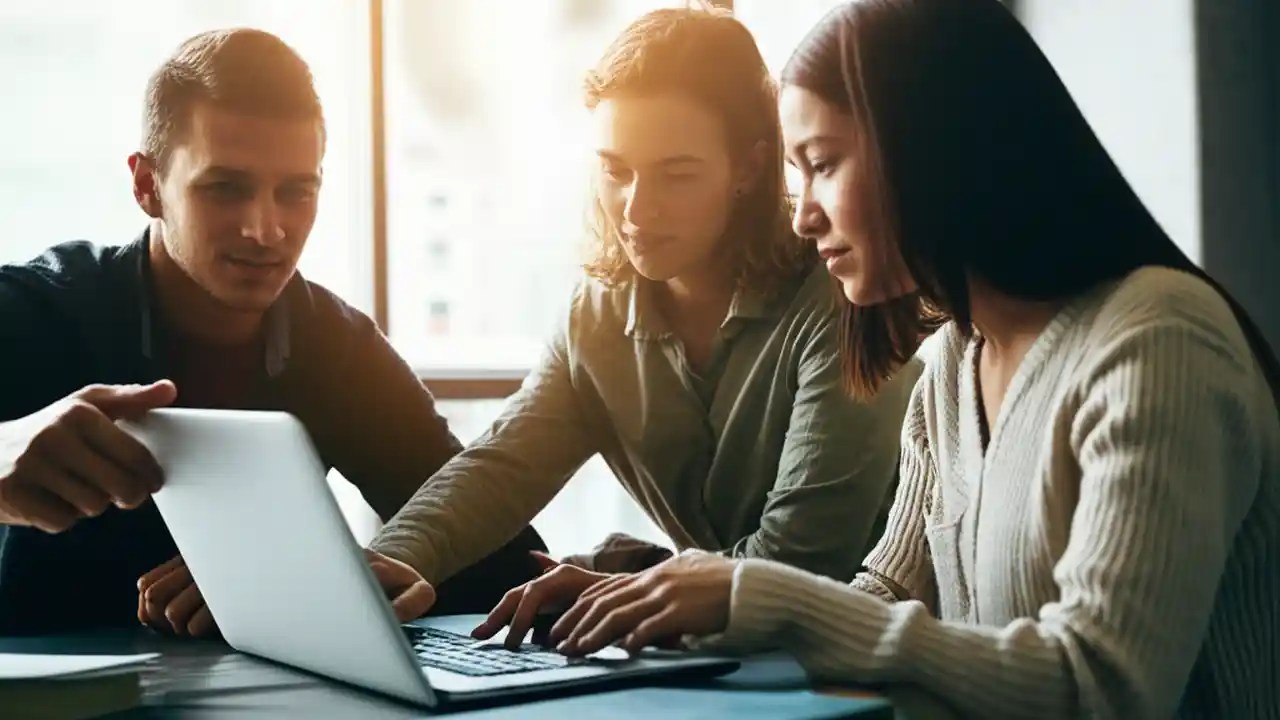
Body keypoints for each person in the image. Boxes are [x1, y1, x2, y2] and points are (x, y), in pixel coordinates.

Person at [527, 1, 1280, 717]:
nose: (803, 215)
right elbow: (885, 601)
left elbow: (1100, 688)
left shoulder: (1157, 338)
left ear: (931, 149)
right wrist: (656, 608)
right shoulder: (954, 361)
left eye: (822, 164)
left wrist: (752, 592)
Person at [367, 6, 922, 644]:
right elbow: (501, 467)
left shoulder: (841, 296)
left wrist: (623, 585)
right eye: (615, 169)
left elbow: (800, 563)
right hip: (712, 658)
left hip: (856, 660)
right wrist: (391, 562)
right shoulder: (596, 313)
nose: (636, 208)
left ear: (748, 168)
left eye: (675, 174)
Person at [0, 28, 543, 638]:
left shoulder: (339, 350)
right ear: (147, 185)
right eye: (225, 189)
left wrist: (312, 577)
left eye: (296, 193)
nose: (267, 230)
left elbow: (503, 563)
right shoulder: (33, 311)